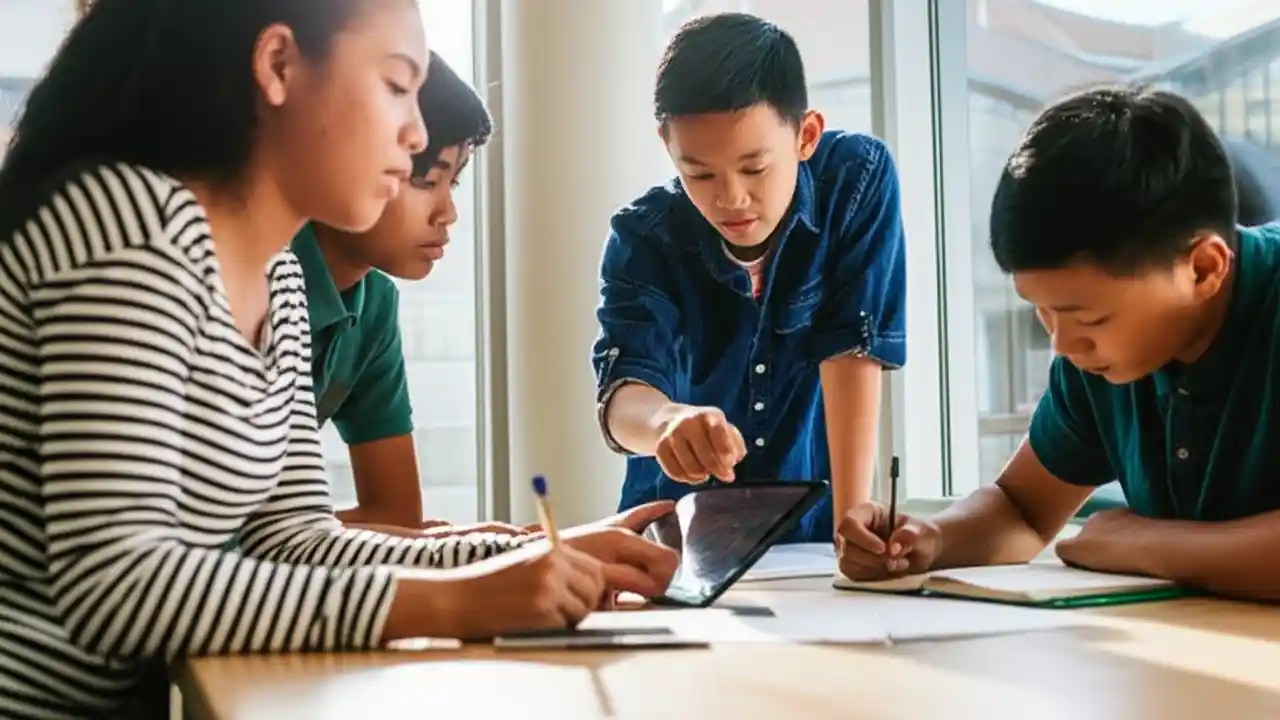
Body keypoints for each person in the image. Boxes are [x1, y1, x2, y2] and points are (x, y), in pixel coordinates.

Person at [0, 1, 674, 716]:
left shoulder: (279, 278)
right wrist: (454, 602)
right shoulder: (129, 226)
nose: (416, 132)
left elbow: (291, 539)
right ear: (279, 67)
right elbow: (115, 585)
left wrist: (523, 557)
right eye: (396, 85)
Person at [837, 85, 1280, 603]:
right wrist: (932, 539)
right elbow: (1022, 510)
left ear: (1203, 268)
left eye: (1088, 317)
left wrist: (1146, 544)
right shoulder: (1100, 355)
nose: (1063, 344)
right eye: (1042, 311)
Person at [592, 13, 906, 544]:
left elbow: (850, 350)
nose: (731, 198)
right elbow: (623, 392)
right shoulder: (644, 235)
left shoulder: (854, 181)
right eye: (699, 173)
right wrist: (666, 422)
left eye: (755, 168)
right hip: (676, 542)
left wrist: (850, 526)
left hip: (809, 537)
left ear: (806, 135)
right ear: (667, 144)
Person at [292, 50, 520, 536]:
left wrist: (455, 546)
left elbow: (393, 513)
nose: (448, 212)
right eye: (427, 180)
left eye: (453, 182)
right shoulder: (257, 277)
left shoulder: (373, 302)